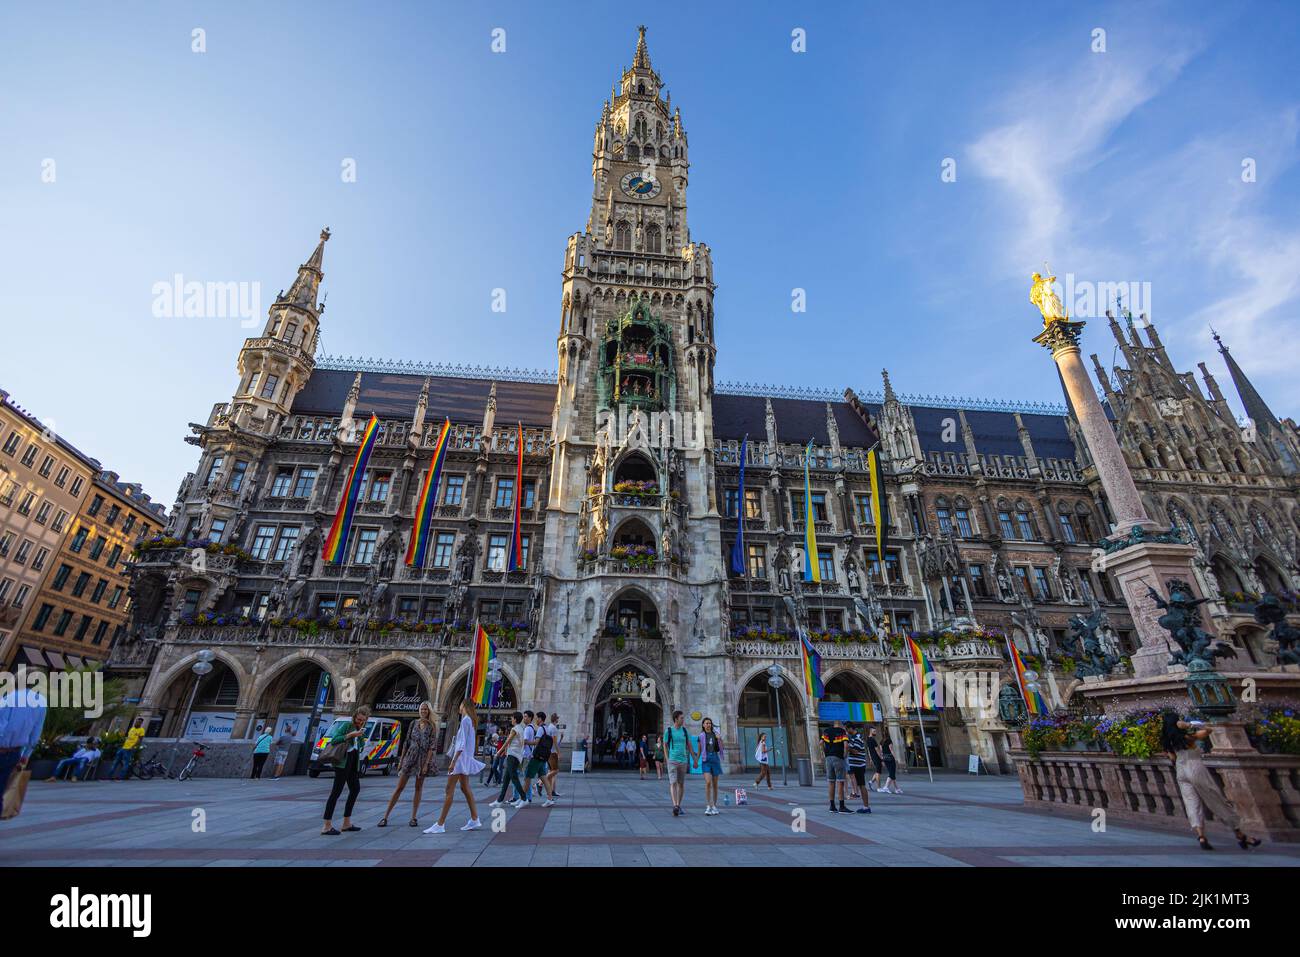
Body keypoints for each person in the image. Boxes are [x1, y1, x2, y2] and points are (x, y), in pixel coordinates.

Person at [1161, 712, 1261, 851]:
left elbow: (1172, 758)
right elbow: (1208, 730)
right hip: (1195, 768)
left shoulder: (1167, 741)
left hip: (1180, 771)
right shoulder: (1187, 738)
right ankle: (1240, 834)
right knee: (1216, 801)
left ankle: (1201, 836)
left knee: (1191, 803)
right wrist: (1190, 724)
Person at [425, 699, 485, 833]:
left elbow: (461, 744)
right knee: (465, 788)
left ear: (464, 706)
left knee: (449, 790)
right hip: (465, 758)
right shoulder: (471, 720)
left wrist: (453, 762)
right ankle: (475, 819)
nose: (459, 707)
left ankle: (440, 824)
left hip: (460, 760)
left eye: (460, 705)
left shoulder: (465, 720)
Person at [379, 701, 436, 828]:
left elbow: (432, 747)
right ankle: (385, 817)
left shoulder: (432, 726)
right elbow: (406, 742)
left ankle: (413, 818)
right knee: (399, 787)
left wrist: (427, 764)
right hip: (410, 756)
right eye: (422, 709)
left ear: (429, 711)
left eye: (426, 709)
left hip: (422, 758)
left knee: (418, 788)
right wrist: (401, 760)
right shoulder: (413, 723)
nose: (423, 711)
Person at [321, 706, 370, 835]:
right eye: (358, 719)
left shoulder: (360, 729)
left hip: (353, 762)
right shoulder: (347, 725)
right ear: (354, 717)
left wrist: (360, 738)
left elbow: (360, 746)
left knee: (355, 789)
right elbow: (335, 739)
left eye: (363, 721)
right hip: (343, 762)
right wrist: (350, 735)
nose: (360, 722)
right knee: (336, 792)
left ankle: (346, 823)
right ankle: (326, 825)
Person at [0, 687, 46, 808]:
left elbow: (1, 725)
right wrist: (26, 755)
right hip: (15, 753)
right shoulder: (40, 702)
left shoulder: (9, 697)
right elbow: (36, 732)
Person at [490, 711, 529, 809]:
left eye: (512, 718)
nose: (511, 719)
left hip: (513, 756)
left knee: (513, 777)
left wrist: (498, 753)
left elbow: (508, 741)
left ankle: (524, 798)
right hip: (516, 756)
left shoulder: (515, 729)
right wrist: (504, 753)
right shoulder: (521, 728)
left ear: (515, 719)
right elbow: (516, 743)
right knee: (506, 779)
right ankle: (499, 800)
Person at [663, 710, 696, 817]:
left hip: (683, 760)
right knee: (673, 782)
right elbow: (665, 744)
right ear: (676, 719)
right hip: (672, 760)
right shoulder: (669, 731)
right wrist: (667, 758)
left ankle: (678, 804)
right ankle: (675, 805)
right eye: (681, 718)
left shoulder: (685, 731)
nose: (683, 719)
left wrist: (694, 759)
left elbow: (689, 745)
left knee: (681, 783)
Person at [522, 710, 556, 807]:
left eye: (537, 718)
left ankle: (523, 798)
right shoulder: (548, 729)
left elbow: (536, 742)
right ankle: (550, 798)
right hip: (544, 756)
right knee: (544, 778)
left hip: (536, 757)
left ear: (540, 719)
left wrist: (525, 742)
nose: (536, 720)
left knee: (528, 777)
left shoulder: (541, 729)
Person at [697, 717, 725, 815]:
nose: (708, 725)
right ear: (703, 725)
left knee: (715, 784)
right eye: (706, 723)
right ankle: (709, 805)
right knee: (708, 782)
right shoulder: (701, 736)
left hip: (715, 759)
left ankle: (714, 806)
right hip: (706, 760)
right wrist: (696, 760)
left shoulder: (715, 734)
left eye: (709, 723)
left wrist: (719, 739)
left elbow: (722, 747)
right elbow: (699, 750)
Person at [821, 723, 849, 812]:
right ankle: (841, 806)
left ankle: (832, 806)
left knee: (831, 782)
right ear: (840, 724)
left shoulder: (826, 731)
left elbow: (821, 743)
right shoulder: (842, 731)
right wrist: (844, 755)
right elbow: (846, 745)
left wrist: (824, 753)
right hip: (838, 757)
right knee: (840, 782)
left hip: (828, 758)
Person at [845, 725, 872, 813]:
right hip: (855, 764)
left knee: (861, 785)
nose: (846, 730)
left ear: (852, 728)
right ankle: (865, 806)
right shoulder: (853, 738)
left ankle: (866, 807)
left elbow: (856, 751)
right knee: (860, 785)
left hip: (858, 765)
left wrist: (847, 747)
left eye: (847, 728)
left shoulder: (857, 738)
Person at [546, 713, 563, 797]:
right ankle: (540, 783)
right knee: (555, 771)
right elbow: (555, 742)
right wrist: (559, 753)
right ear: (555, 719)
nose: (558, 720)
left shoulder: (549, 727)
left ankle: (552, 791)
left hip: (549, 752)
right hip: (553, 753)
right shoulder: (554, 728)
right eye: (557, 718)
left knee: (552, 772)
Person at [866, 727, 883, 792]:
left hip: (873, 757)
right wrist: (881, 757)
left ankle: (871, 782)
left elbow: (868, 750)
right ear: (871, 732)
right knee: (878, 772)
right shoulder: (872, 740)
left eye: (875, 731)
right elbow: (877, 749)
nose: (875, 732)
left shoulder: (868, 739)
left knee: (877, 771)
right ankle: (879, 788)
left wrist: (870, 758)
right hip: (876, 757)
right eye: (874, 731)